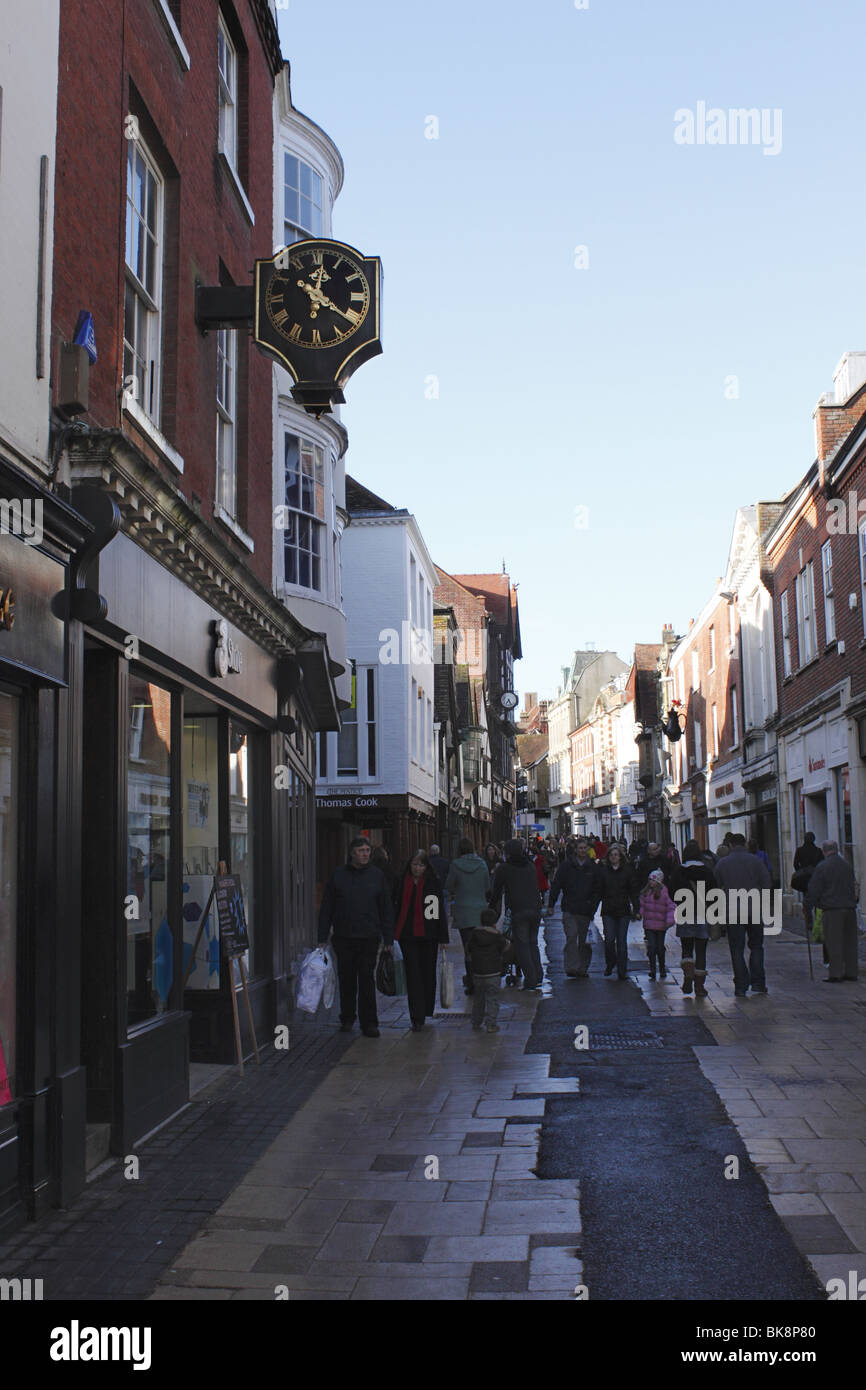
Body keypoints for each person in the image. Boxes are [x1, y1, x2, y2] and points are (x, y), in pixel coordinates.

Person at [317, 836, 394, 1037]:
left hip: (369, 937)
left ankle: (369, 1022)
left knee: (367, 979)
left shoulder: (377, 876)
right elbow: (327, 908)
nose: (365, 854)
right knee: (347, 979)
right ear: (352, 853)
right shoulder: (338, 875)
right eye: (361, 851)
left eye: (367, 851)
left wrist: (388, 938)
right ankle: (347, 1017)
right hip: (344, 937)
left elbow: (386, 908)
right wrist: (322, 936)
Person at [393, 849, 448, 1030]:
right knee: (413, 975)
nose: (418, 869)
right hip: (407, 935)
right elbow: (397, 907)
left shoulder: (432, 883)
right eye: (415, 865)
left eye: (421, 865)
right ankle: (416, 1016)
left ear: (426, 866)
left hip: (427, 935)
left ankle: (425, 1010)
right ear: (410, 865)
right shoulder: (403, 882)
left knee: (427, 973)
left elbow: (436, 911)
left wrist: (442, 937)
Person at [713, 832, 771, 996]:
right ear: (744, 844)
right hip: (753, 909)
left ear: (730, 845)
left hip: (733, 911)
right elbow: (767, 883)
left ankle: (741, 985)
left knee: (737, 948)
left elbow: (715, 885)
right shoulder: (756, 861)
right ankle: (758, 983)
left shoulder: (723, 863)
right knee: (757, 946)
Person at [490, 839, 544, 990]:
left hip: (519, 910)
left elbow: (496, 891)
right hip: (535, 909)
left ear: (507, 853)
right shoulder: (530, 866)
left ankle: (531, 980)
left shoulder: (504, 868)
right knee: (533, 943)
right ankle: (538, 976)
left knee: (522, 946)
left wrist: (491, 908)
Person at [548, 838, 602, 977]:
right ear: (576, 850)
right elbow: (557, 884)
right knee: (571, 937)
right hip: (570, 908)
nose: (583, 850)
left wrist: (593, 905)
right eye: (580, 848)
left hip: (586, 909)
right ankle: (572, 967)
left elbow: (598, 888)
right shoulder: (566, 866)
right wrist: (551, 904)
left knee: (585, 941)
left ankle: (583, 967)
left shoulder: (593, 867)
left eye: (585, 848)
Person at [445, 838, 492, 995]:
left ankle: (471, 981)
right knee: (481, 946)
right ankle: (482, 979)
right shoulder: (482, 864)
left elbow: (449, 885)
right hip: (480, 911)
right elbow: (487, 887)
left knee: (468, 948)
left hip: (464, 911)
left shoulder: (455, 865)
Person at [807, 840, 859, 982]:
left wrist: (811, 905)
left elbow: (814, 889)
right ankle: (851, 971)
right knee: (849, 942)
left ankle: (836, 973)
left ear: (824, 851)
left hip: (832, 909)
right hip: (849, 908)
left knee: (834, 941)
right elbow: (854, 885)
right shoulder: (847, 865)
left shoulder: (823, 867)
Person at [675, 840, 715, 996]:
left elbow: (672, 891)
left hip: (685, 913)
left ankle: (687, 975)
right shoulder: (707, 871)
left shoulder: (679, 871)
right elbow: (714, 892)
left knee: (686, 948)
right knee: (701, 950)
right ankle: (699, 985)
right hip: (702, 913)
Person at [598, 843, 640, 980]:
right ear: (608, 857)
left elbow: (633, 890)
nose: (613, 857)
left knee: (621, 941)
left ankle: (622, 970)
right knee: (609, 940)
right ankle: (610, 963)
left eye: (616, 855)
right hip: (608, 910)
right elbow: (598, 891)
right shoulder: (603, 871)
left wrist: (636, 907)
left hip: (623, 910)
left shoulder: (627, 871)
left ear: (620, 857)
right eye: (611, 855)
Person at [467, 907, 507, 1032]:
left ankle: (476, 1022)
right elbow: (505, 947)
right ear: (495, 923)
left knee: (478, 999)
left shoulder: (474, 935)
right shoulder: (496, 936)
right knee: (492, 999)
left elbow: (469, 949)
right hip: (493, 972)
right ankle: (491, 1024)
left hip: (478, 973)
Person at [639, 869, 677, 980]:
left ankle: (661, 968)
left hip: (661, 926)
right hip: (649, 925)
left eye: (653, 880)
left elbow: (671, 907)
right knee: (652, 947)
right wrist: (639, 914)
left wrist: (669, 920)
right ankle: (652, 969)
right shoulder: (645, 893)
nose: (651, 882)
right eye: (650, 880)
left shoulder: (664, 893)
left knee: (660, 947)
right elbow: (642, 906)